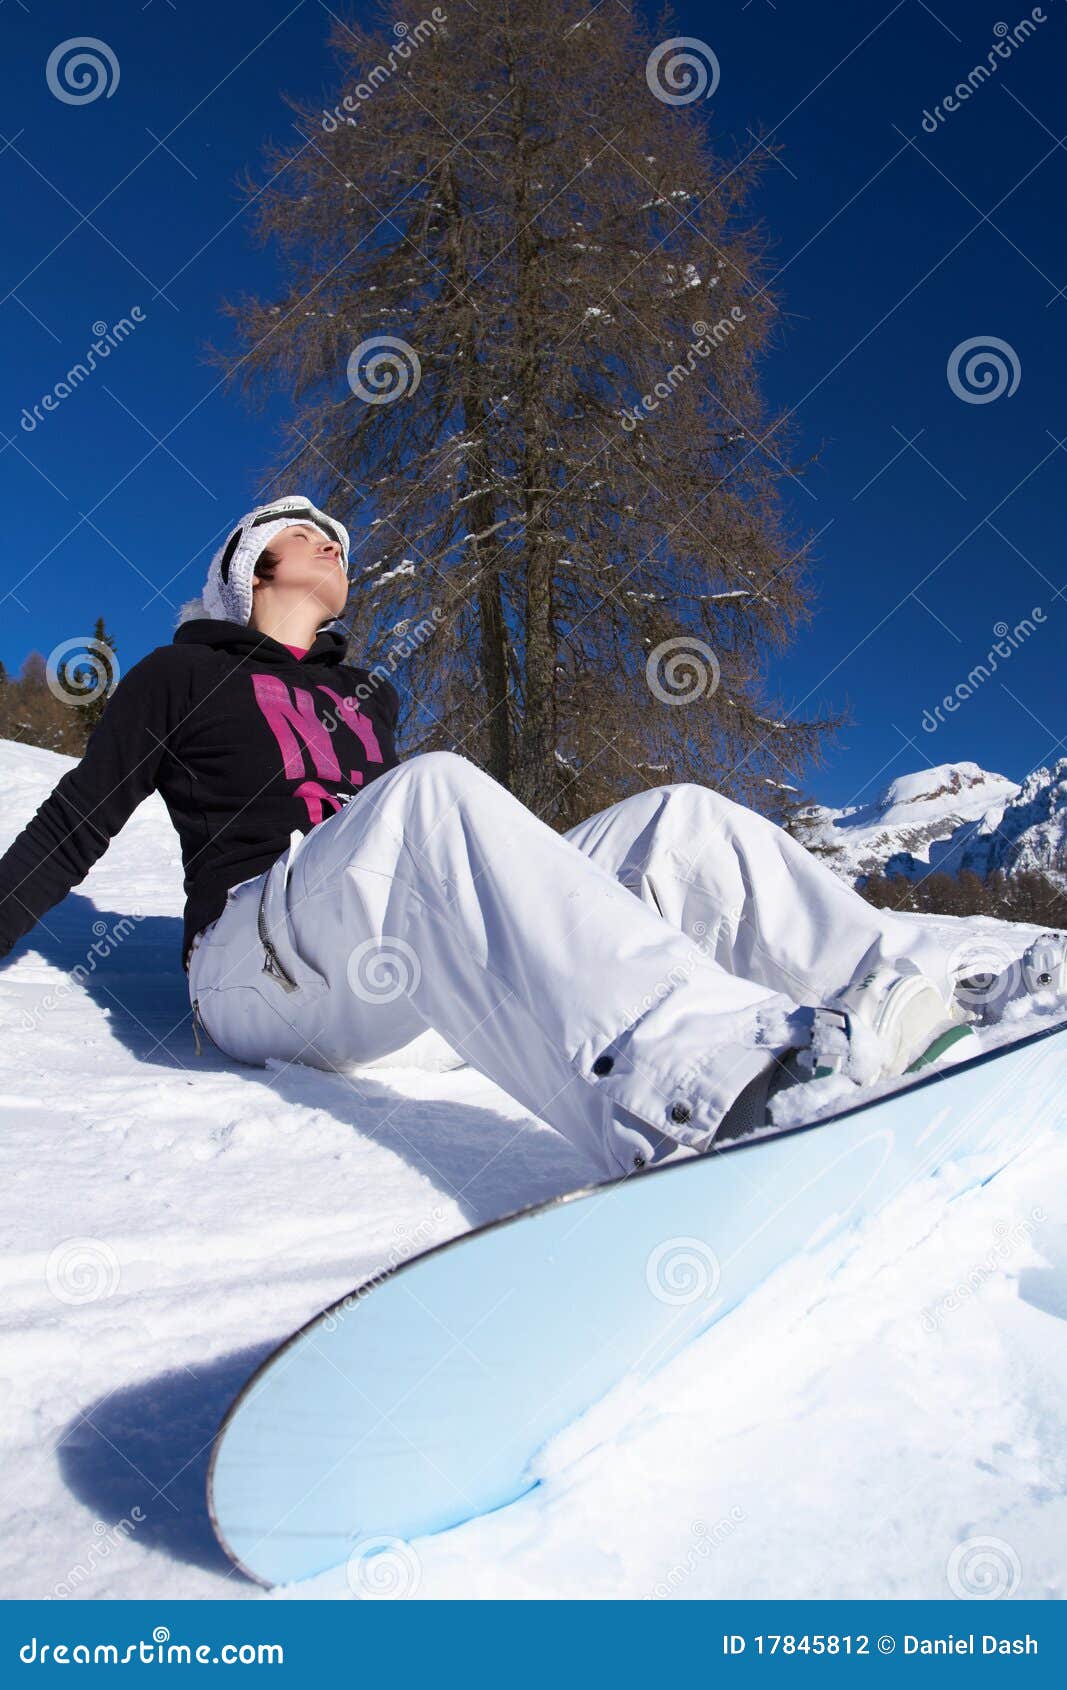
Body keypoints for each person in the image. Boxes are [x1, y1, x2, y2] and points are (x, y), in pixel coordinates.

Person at [0, 494, 1050, 1181]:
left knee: (673, 819)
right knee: (428, 796)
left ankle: (925, 1003)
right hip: (253, 966)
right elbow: (76, 817)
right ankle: (694, 1090)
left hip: (386, 976)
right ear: (246, 565)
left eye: (340, 536)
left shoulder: (367, 693)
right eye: (301, 528)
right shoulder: (177, 675)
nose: (333, 537)